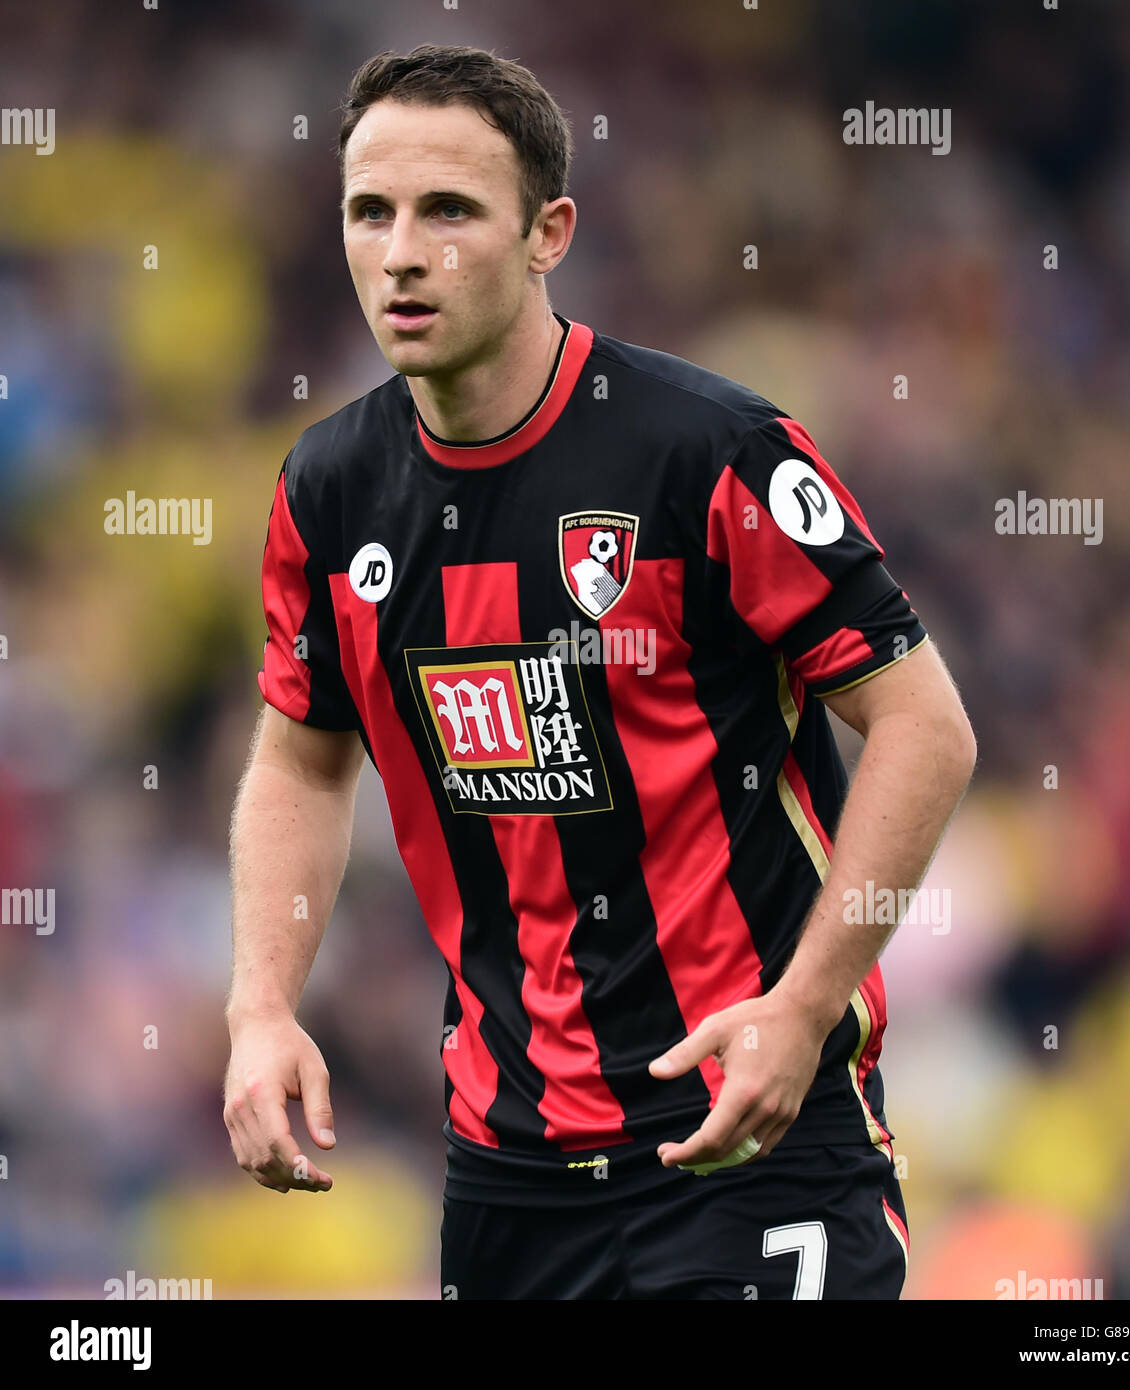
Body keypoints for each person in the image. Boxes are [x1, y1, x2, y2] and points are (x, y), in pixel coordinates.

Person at [223, 43, 977, 1300]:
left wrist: (800, 1010)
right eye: (371, 212)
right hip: (507, 1174)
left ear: (547, 232)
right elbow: (302, 756)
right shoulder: (328, 488)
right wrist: (260, 1006)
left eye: (449, 209)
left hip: (750, 1143)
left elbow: (922, 726)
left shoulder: (711, 454)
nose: (402, 251)